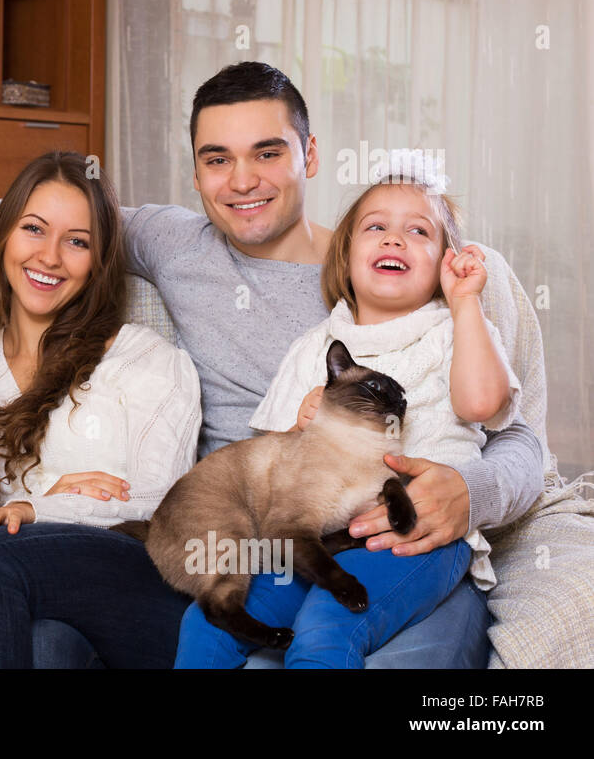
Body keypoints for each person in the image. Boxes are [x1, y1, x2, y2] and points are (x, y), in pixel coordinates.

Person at [0, 61, 545, 668]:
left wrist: (470, 492)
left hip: (397, 541)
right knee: (43, 631)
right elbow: (33, 217)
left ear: (312, 155)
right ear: (195, 173)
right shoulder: (173, 243)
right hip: (249, 541)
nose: (242, 180)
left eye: (268, 153)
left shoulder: (405, 270)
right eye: (217, 159)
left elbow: (517, 436)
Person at [177, 155, 519, 667]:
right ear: (345, 253)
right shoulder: (315, 347)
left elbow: (480, 404)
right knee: (206, 622)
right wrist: (298, 426)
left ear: (447, 261)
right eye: (375, 227)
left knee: (326, 628)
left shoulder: (454, 330)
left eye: (418, 232)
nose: (393, 239)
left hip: (417, 532)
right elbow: (268, 465)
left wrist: (466, 301)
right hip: (319, 533)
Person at [0, 152, 202, 668]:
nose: (50, 257)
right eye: (34, 229)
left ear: (98, 261)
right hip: (36, 603)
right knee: (47, 646)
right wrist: (52, 494)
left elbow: (155, 501)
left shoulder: (145, 358)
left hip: (138, 583)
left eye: (77, 241)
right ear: (4, 235)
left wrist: (31, 508)